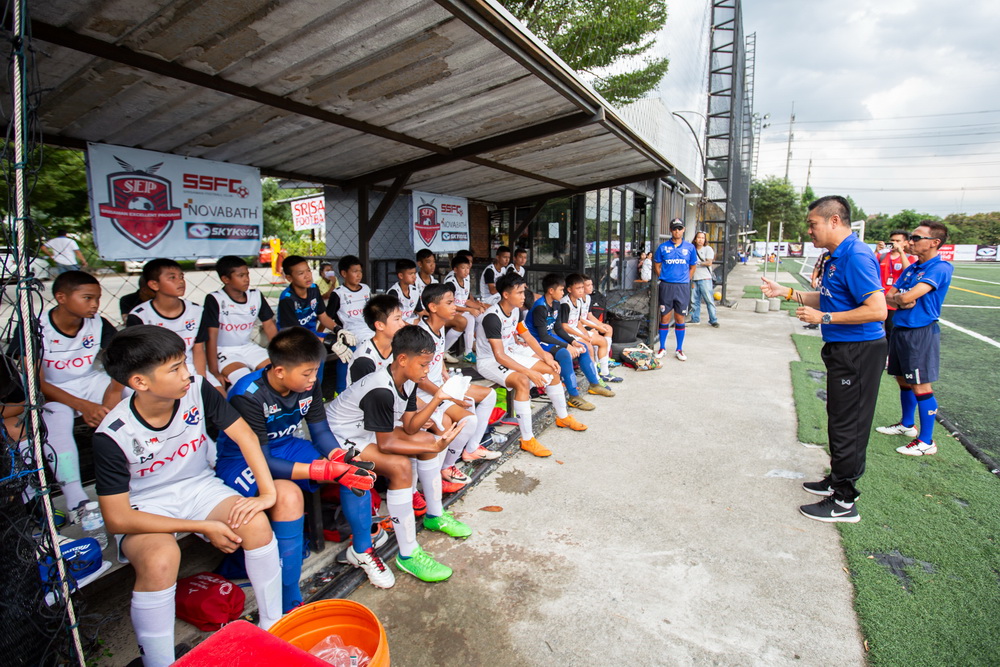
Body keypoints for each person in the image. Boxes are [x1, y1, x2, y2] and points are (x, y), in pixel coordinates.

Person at [93, 326, 283, 667]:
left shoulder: (196, 388)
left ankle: (274, 625)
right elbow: (117, 518)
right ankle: (160, 661)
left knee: (255, 524)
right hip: (146, 505)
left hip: (198, 486)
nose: (188, 373)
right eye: (175, 368)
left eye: (185, 363)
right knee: (161, 558)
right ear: (140, 382)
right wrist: (202, 525)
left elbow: (245, 436)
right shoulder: (113, 434)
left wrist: (266, 494)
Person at [215, 327, 387, 604]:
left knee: (354, 472)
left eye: (314, 371)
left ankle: (362, 550)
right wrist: (322, 470)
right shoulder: (247, 394)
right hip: (241, 460)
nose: (312, 379)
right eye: (306, 373)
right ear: (280, 371)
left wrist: (337, 457)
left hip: (287, 446)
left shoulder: (309, 384)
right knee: (290, 495)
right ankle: (289, 597)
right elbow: (264, 461)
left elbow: (319, 431)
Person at [762, 195, 887, 523]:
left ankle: (845, 501)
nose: (809, 231)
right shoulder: (835, 256)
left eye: (812, 224)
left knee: (850, 424)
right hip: (843, 349)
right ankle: (836, 479)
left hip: (859, 351)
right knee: (839, 417)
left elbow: (877, 310)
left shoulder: (857, 256)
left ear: (834, 221)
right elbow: (830, 296)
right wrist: (786, 293)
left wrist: (825, 319)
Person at [325, 326, 469, 582]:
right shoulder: (380, 389)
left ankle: (435, 515)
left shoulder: (407, 380)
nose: (427, 371)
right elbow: (387, 444)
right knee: (401, 466)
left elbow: (412, 426)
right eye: (424, 365)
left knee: (425, 439)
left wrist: (438, 399)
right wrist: (435, 447)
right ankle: (409, 554)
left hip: (368, 430)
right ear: (402, 359)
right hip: (342, 434)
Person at [18, 271, 123, 519]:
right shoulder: (36, 326)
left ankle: (141, 472)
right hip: (52, 390)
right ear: (61, 297)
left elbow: (122, 361)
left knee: (134, 392)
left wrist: (112, 397)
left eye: (97, 298)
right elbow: (35, 382)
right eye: (87, 298)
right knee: (58, 423)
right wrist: (84, 406)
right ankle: (76, 500)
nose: (95, 304)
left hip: (89, 381)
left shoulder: (98, 322)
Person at [476, 271, 586, 458]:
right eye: (519, 292)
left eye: (523, 291)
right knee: (522, 381)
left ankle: (563, 417)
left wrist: (545, 356)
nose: (523, 296)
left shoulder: (516, 311)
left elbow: (526, 336)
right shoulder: (492, 317)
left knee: (552, 368)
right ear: (506, 294)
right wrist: (529, 371)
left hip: (511, 352)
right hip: (490, 360)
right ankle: (527, 439)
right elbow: (499, 356)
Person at [876, 221, 953, 456]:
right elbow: (890, 296)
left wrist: (902, 298)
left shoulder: (940, 267)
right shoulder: (911, 268)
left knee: (920, 384)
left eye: (917, 238)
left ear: (934, 242)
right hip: (900, 328)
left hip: (920, 332)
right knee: (902, 379)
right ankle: (907, 425)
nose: (911, 242)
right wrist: (902, 298)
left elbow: (910, 295)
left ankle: (926, 441)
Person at [417, 284, 500, 490]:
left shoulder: (439, 326)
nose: (455, 306)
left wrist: (444, 372)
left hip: (439, 387)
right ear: (433, 307)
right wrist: (448, 396)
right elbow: (418, 378)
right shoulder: (421, 334)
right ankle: (445, 468)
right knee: (467, 419)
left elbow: (436, 358)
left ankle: (470, 450)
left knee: (488, 395)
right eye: (449, 302)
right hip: (423, 393)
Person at [126, 259, 221, 391]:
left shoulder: (196, 311)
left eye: (181, 277)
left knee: (219, 397)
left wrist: (202, 381)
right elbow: (140, 358)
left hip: (190, 366)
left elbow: (198, 350)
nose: (180, 281)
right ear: (154, 284)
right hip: (158, 372)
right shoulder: (139, 316)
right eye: (172, 278)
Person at [276, 255, 354, 392]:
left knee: (348, 343)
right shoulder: (287, 299)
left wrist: (338, 330)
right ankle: (311, 395)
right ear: (289, 278)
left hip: (313, 335)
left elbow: (323, 316)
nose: (307, 276)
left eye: (308, 271)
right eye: (301, 273)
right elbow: (296, 334)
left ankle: (341, 390)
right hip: (293, 339)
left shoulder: (313, 288)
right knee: (318, 351)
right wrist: (327, 341)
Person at [524, 274, 603, 409]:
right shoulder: (540, 307)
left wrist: (573, 342)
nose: (563, 292)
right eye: (561, 290)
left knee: (582, 347)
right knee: (565, 354)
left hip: (549, 337)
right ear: (551, 291)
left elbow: (558, 328)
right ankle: (574, 396)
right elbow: (542, 336)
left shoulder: (556, 303)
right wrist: (566, 346)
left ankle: (594, 384)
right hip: (536, 340)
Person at [204, 256, 278, 387]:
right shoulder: (215, 299)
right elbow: (212, 336)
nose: (246, 279)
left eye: (247, 274)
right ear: (226, 279)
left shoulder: (255, 295)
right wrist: (214, 371)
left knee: (276, 373)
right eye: (241, 275)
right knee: (244, 380)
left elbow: (269, 326)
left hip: (247, 347)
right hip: (224, 351)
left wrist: (280, 352)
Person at [561, 274, 620, 385]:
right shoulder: (565, 304)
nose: (582, 290)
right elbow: (565, 326)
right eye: (580, 288)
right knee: (589, 347)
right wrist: (586, 335)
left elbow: (578, 322)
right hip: (568, 333)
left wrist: (585, 333)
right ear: (569, 289)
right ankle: (595, 378)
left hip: (577, 330)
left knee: (602, 341)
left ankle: (604, 372)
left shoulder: (579, 301)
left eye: (582, 288)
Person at [653, 220, 698, 360]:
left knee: (679, 317)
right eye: (674, 229)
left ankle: (679, 349)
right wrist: (664, 277)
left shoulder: (690, 248)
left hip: (682, 287)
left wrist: (686, 280)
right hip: (666, 286)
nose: (677, 231)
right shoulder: (663, 247)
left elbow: (692, 266)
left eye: (679, 228)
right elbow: (657, 265)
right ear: (670, 230)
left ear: (683, 229)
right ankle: (662, 348)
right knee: (665, 317)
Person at [444, 254, 487, 363]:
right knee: (470, 319)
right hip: (451, 311)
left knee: (482, 317)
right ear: (455, 269)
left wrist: (479, 306)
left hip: (461, 310)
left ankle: (478, 347)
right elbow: (450, 305)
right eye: (463, 268)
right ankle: (446, 351)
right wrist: (470, 310)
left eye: (468, 268)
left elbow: (465, 300)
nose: (466, 271)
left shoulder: (466, 280)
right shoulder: (451, 283)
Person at [875, 230, 916, 337]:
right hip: (878, 298)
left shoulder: (909, 258)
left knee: (891, 330)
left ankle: (890, 353)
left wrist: (901, 252)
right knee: (874, 329)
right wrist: (876, 251)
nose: (894, 243)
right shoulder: (882, 256)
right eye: (892, 240)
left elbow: (908, 271)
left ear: (905, 243)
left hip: (893, 299)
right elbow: (867, 268)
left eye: (898, 241)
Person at [689, 231, 719, 328]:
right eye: (699, 237)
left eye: (702, 238)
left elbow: (709, 262)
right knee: (694, 300)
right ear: (695, 239)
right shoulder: (692, 249)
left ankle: (713, 319)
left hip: (705, 278)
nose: (700, 240)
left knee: (709, 300)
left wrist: (697, 263)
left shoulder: (708, 249)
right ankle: (695, 319)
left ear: (705, 239)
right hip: (694, 278)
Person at [386, 258, 420, 324]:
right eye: (410, 274)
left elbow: (420, 311)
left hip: (408, 321)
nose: (414, 276)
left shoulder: (415, 290)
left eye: (415, 273)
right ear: (401, 276)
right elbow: (393, 318)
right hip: (396, 323)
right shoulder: (394, 292)